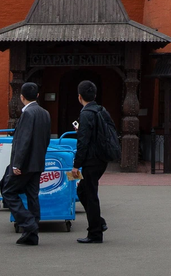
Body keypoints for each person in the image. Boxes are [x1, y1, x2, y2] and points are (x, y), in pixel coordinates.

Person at [2, 82, 51, 245]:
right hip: (38, 162)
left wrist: (17, 164)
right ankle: (32, 232)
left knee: (8, 192)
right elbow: (46, 139)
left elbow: (23, 141)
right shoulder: (45, 113)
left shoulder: (28, 114)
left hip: (25, 163)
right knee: (32, 196)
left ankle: (28, 223)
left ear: (21, 97)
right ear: (37, 95)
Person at [71, 80, 114, 244]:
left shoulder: (86, 113)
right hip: (102, 158)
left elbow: (83, 143)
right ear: (94, 95)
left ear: (79, 97)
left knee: (89, 193)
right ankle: (98, 222)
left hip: (91, 160)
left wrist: (76, 165)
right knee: (84, 191)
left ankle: (95, 232)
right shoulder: (102, 111)